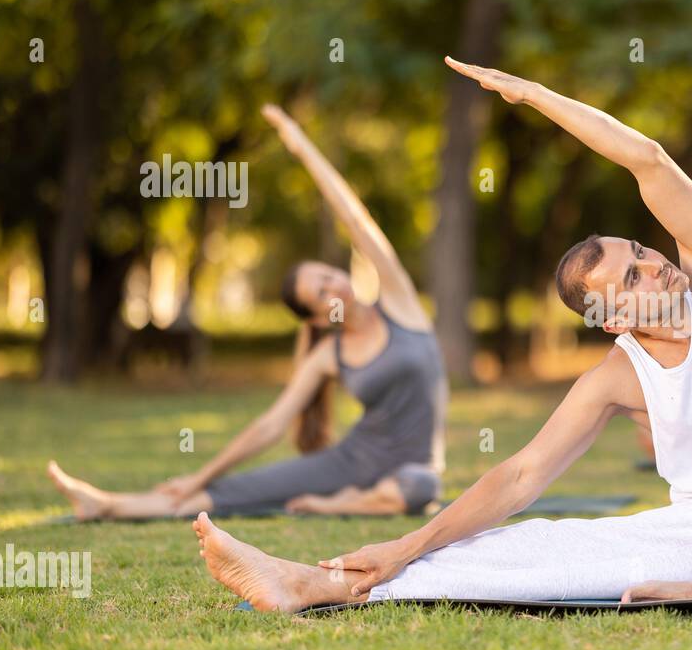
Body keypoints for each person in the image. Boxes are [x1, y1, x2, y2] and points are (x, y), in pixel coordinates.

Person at [192, 57, 692, 612]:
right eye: (630, 279)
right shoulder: (615, 374)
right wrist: (405, 544)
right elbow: (519, 477)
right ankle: (312, 584)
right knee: (532, 540)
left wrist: (534, 96)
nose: (655, 266)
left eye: (642, 254)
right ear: (609, 319)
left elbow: (650, 162)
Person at [47, 105, 447, 520]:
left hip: (411, 475)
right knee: (233, 492)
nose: (336, 287)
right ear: (314, 319)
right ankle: (108, 504)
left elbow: (356, 221)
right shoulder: (330, 355)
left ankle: (339, 505)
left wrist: (300, 144)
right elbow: (270, 426)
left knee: (422, 486)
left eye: (329, 275)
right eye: (321, 292)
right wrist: (201, 475)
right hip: (347, 464)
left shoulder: (401, 307)